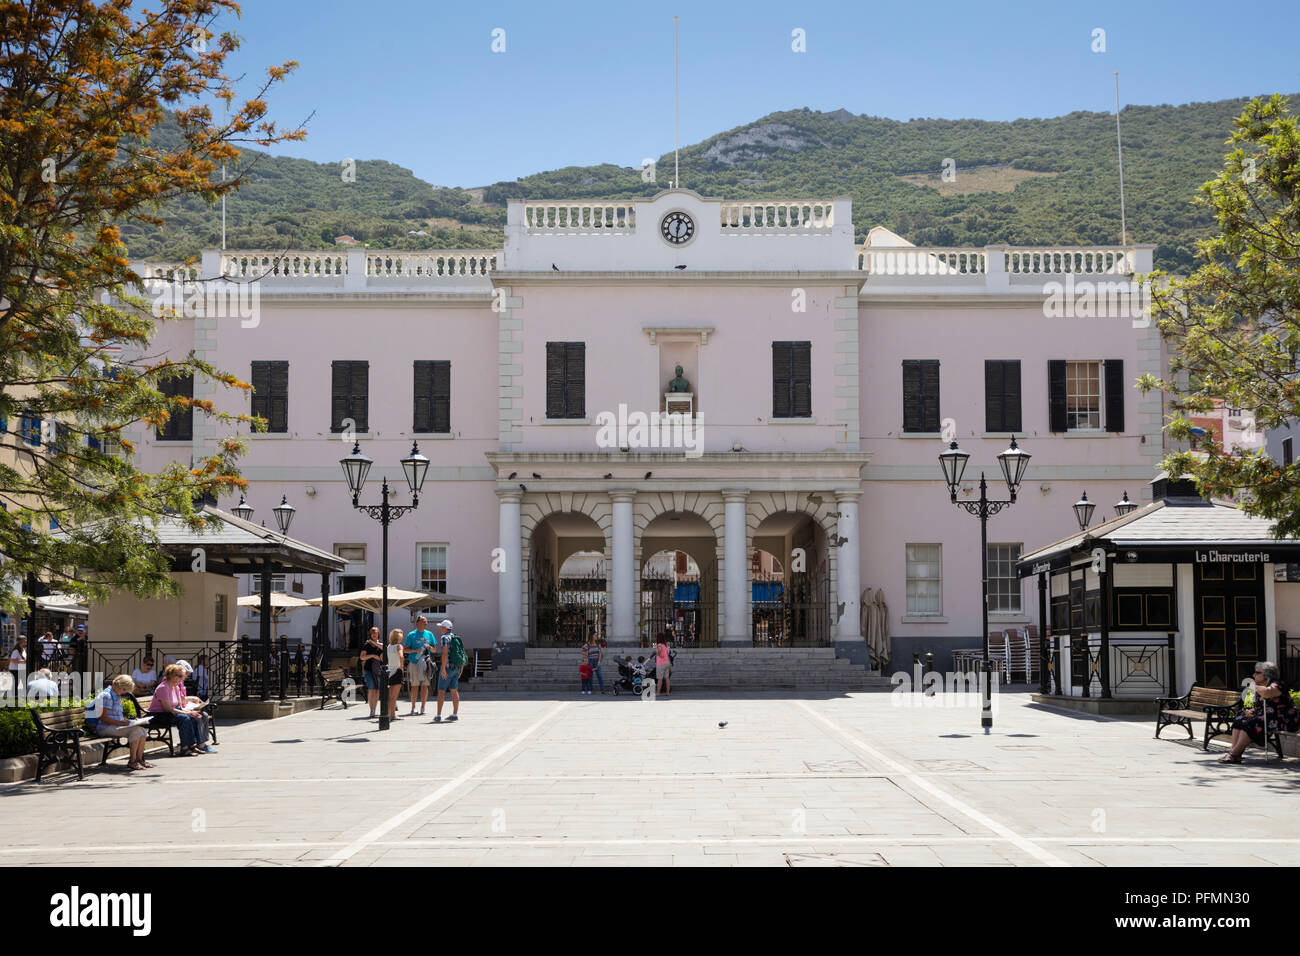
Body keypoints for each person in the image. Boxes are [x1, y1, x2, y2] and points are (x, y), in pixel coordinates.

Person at [1220, 661, 1300, 763]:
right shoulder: (1260, 686)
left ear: (1267, 674)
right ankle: (1235, 753)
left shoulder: (1277, 684)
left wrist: (1253, 686)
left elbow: (1267, 693)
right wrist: (1250, 711)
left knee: (1251, 723)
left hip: (1284, 719)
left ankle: (1233, 754)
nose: (1253, 675)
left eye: (1257, 673)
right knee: (1240, 719)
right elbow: (1258, 705)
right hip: (1268, 717)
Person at [86, 675, 152, 771]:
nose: (124, 692)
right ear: (119, 686)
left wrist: (129, 721)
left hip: (114, 726)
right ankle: (132, 761)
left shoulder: (116, 695)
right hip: (104, 728)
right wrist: (120, 723)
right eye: (124, 690)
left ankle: (139, 759)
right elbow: (102, 717)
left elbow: (115, 715)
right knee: (137, 731)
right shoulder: (107, 696)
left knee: (142, 730)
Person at [148, 664, 210, 756]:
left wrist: (190, 712)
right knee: (184, 718)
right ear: (172, 675)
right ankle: (184, 748)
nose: (182, 678)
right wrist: (187, 713)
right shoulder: (163, 688)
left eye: (183, 676)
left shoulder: (176, 687)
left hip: (170, 713)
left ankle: (191, 746)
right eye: (180, 676)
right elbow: (168, 709)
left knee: (193, 717)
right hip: (159, 715)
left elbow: (179, 705)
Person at [174, 661, 216, 747]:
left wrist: (193, 703)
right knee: (198, 716)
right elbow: (177, 701)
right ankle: (200, 744)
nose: (187, 676)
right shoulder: (174, 683)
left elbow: (181, 699)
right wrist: (192, 699)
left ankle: (202, 743)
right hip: (176, 710)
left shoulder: (180, 682)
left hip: (183, 708)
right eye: (185, 673)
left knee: (203, 714)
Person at [403, 615, 435, 715]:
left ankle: (423, 707)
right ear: (418, 623)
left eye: (426, 621)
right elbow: (405, 649)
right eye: (424, 621)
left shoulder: (429, 634)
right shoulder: (411, 635)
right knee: (415, 685)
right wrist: (415, 650)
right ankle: (413, 708)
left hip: (425, 662)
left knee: (425, 685)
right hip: (414, 662)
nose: (426, 623)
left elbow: (434, 649)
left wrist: (429, 647)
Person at [433, 619, 461, 723]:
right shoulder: (456, 637)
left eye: (441, 626)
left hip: (448, 667)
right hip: (456, 668)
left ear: (445, 628)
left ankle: (438, 715)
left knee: (441, 691)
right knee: (454, 690)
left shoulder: (444, 638)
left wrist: (443, 669)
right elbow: (461, 654)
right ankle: (454, 714)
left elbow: (444, 654)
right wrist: (460, 668)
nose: (440, 628)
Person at [359, 626, 384, 717]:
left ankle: (374, 709)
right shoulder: (366, 645)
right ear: (370, 634)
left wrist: (374, 643)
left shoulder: (380, 644)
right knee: (371, 689)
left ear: (378, 634)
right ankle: (371, 710)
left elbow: (384, 649)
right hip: (368, 670)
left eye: (376, 632)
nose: (374, 634)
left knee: (377, 690)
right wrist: (373, 655)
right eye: (372, 633)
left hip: (378, 670)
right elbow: (362, 657)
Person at [384, 629, 404, 720]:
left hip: (390, 671)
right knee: (394, 696)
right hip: (397, 671)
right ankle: (393, 715)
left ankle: (390, 714)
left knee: (390, 696)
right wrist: (402, 666)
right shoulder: (399, 646)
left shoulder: (389, 646)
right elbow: (401, 656)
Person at [585, 629, 604, 694]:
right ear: (592, 636)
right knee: (590, 676)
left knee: (599, 675)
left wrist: (599, 661)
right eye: (595, 635)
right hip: (590, 661)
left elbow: (600, 653)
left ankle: (602, 690)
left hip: (596, 661)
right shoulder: (588, 644)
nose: (596, 636)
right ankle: (591, 690)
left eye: (596, 635)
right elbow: (581, 650)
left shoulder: (598, 643)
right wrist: (587, 654)